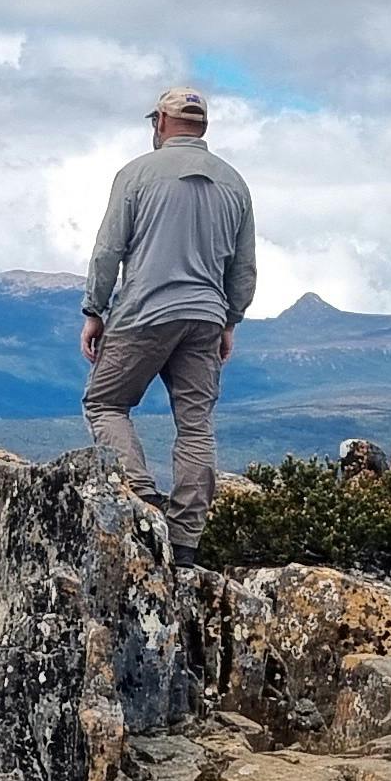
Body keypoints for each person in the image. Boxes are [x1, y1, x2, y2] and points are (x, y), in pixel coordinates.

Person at [80, 84, 256, 567]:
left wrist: (94, 309)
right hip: (205, 316)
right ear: (202, 127)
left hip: (143, 313)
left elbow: (107, 251)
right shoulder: (234, 183)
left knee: (106, 402)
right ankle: (184, 540)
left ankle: (139, 498)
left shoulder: (136, 175)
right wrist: (230, 319)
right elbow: (243, 269)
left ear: (160, 121)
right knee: (196, 426)